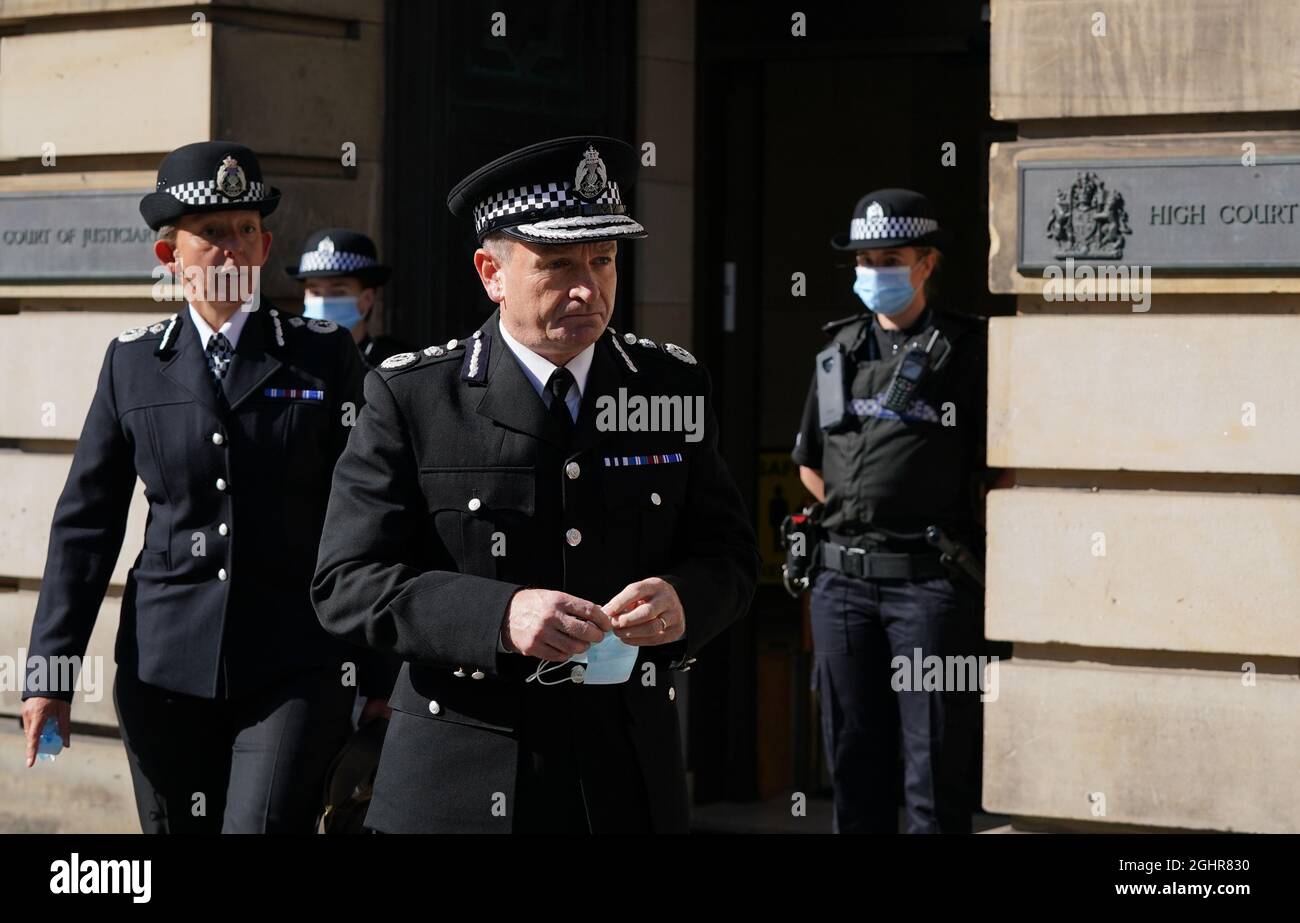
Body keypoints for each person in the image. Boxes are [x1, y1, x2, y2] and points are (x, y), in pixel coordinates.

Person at [312, 136, 759, 833]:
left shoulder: (672, 386)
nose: (588, 287)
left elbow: (730, 556)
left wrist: (685, 602)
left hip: (624, 775)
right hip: (462, 774)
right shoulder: (413, 397)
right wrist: (499, 615)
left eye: (603, 260)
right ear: (491, 272)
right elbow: (347, 580)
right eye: (556, 265)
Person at [20, 141, 388, 833]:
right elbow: (86, 525)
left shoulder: (320, 353)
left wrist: (379, 671)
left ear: (265, 245)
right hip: (164, 669)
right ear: (171, 257)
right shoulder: (133, 362)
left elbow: (369, 512)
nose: (231, 248)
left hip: (295, 663)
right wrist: (49, 671)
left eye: (245, 231)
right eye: (212, 233)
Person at [792, 188, 988, 833]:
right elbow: (810, 464)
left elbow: (1003, 468)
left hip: (928, 586)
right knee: (853, 760)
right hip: (842, 586)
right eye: (863, 258)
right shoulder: (836, 352)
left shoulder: (968, 351)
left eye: (890, 257)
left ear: (926, 262)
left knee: (934, 766)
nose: (874, 270)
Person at [286, 228, 412, 370]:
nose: (322, 302)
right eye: (315, 292)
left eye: (338, 292)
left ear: (367, 300)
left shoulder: (393, 367)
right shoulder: (286, 359)